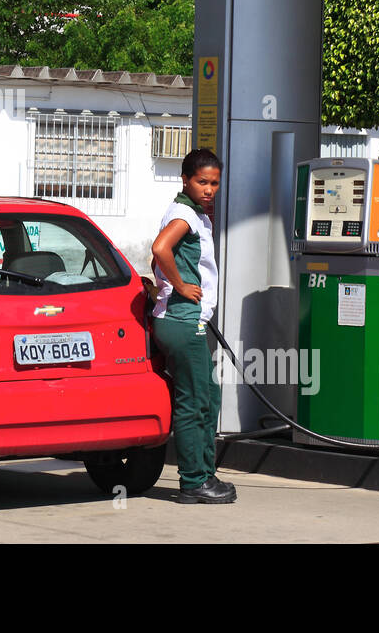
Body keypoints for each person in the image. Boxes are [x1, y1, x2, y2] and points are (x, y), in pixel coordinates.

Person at [149, 148, 236, 504]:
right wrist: (181, 286)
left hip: (186, 319)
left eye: (215, 182)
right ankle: (194, 482)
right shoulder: (184, 215)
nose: (209, 189)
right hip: (182, 322)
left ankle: (204, 473)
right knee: (194, 401)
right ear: (185, 180)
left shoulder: (192, 214)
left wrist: (165, 284)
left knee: (208, 397)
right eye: (202, 181)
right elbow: (160, 248)